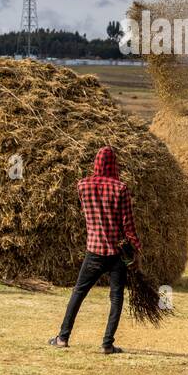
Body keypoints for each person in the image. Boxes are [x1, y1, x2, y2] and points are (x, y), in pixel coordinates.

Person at [49, 146, 140, 354]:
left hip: (94, 250)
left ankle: (62, 337)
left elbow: (88, 213)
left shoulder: (82, 186)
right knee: (116, 297)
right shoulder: (121, 188)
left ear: (96, 163)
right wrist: (135, 249)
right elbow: (128, 225)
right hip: (117, 253)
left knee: (79, 292)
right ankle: (107, 344)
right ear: (114, 164)